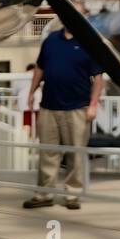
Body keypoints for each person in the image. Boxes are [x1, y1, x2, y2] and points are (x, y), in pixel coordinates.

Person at [23, 28, 104, 211]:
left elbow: (98, 79)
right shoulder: (50, 40)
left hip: (78, 108)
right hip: (48, 107)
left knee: (75, 154)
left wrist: (93, 105)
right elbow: (40, 68)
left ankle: (72, 195)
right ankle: (44, 194)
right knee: (47, 152)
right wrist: (31, 92)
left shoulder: (89, 41)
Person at [16, 63, 41, 130]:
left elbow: (15, 90)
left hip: (24, 105)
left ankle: (26, 136)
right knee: (37, 125)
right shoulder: (39, 76)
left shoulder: (20, 77)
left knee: (26, 125)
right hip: (37, 105)